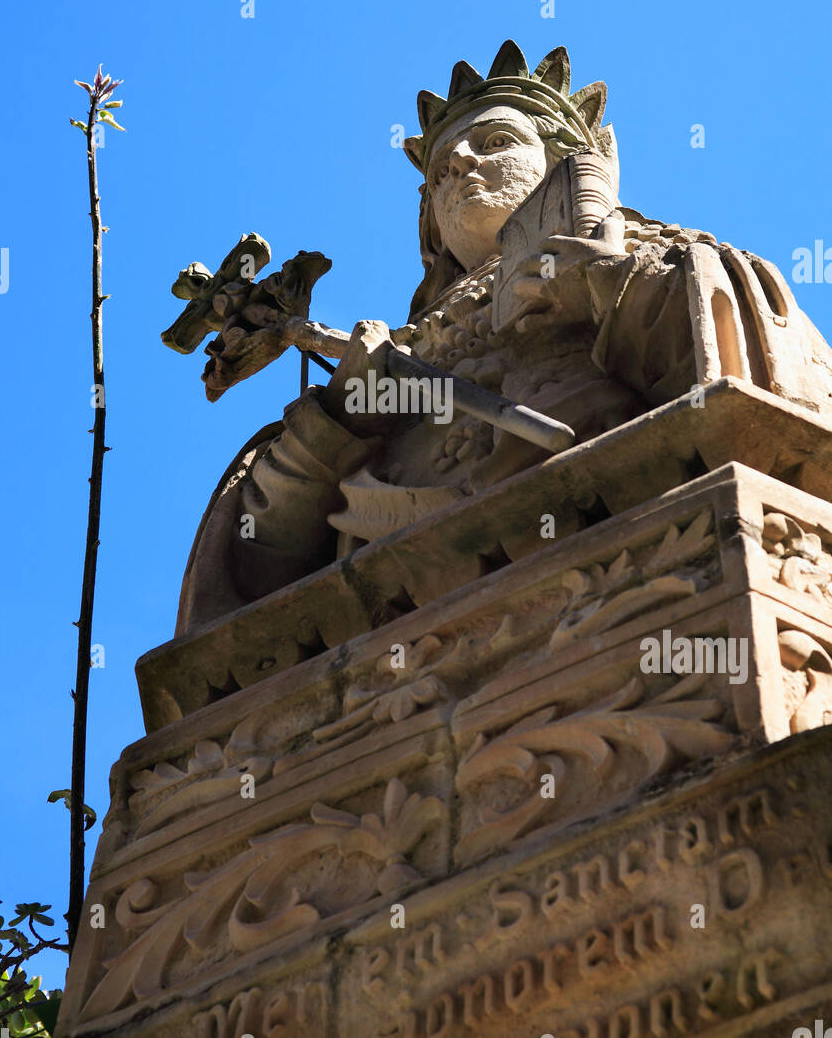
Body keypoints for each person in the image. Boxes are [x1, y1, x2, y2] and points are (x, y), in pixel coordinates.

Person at [175, 41, 832, 635]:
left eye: (492, 143)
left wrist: (604, 283)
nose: (458, 163)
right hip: (402, 640)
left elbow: (740, 378)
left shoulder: (659, 259)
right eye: (436, 175)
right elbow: (258, 586)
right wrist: (333, 428)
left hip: (629, 581)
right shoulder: (400, 346)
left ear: (559, 166)